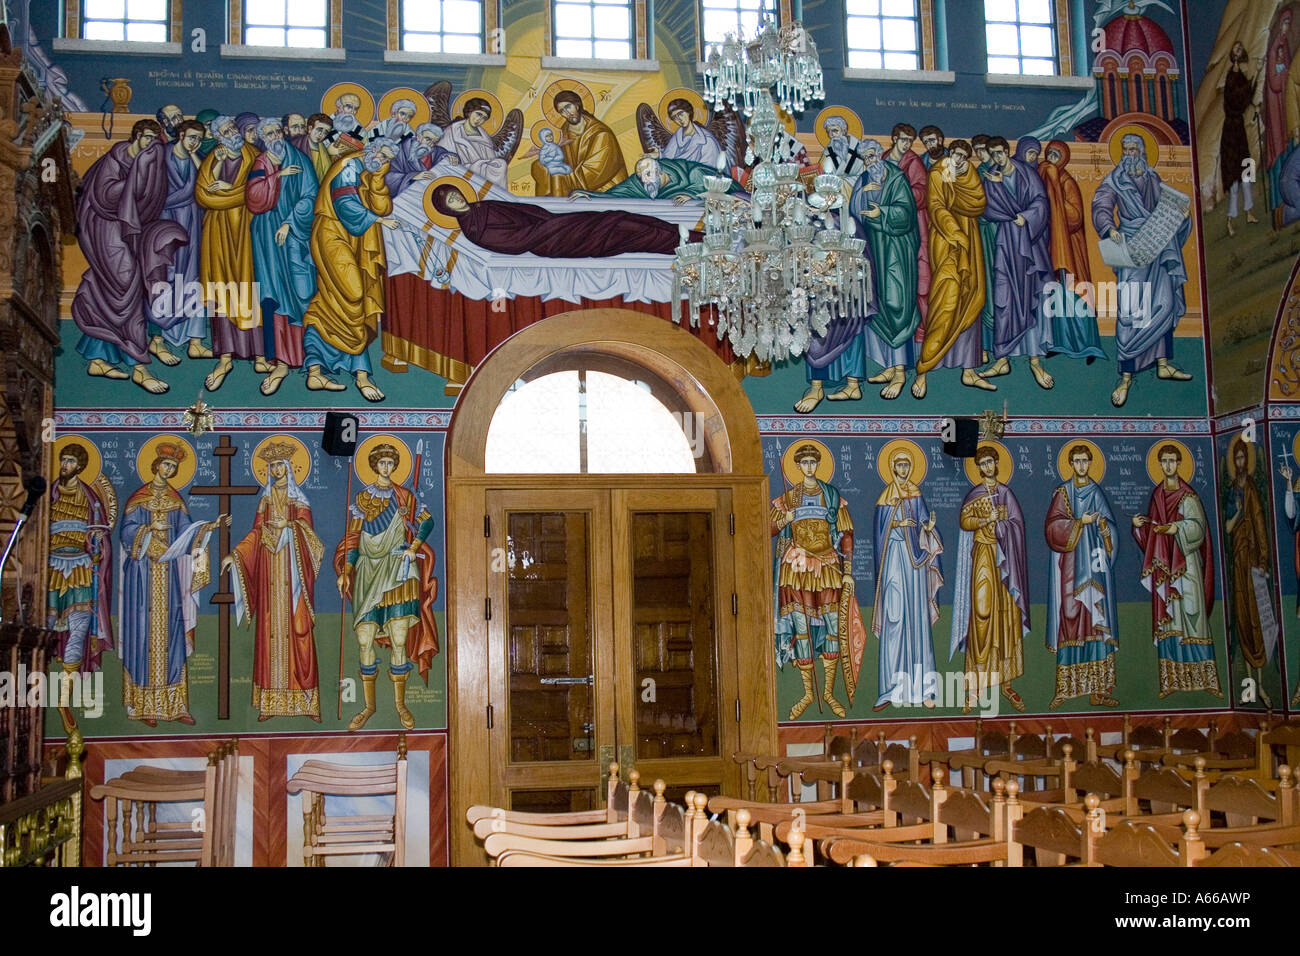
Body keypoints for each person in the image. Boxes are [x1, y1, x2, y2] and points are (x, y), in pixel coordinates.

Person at [71, 118, 187, 395]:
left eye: (154, 139)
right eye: (146, 137)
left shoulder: (150, 162)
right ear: (136, 137)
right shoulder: (117, 157)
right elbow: (104, 196)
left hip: (129, 229)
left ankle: (97, 359)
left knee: (110, 289)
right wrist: (135, 175)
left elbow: (151, 200)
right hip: (104, 228)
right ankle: (139, 367)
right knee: (128, 286)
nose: (150, 144)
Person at [119, 441, 228, 725]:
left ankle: (176, 706)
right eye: (165, 464)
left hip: (169, 578)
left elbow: (187, 536)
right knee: (142, 637)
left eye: (173, 467)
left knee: (172, 636)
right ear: (155, 465)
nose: (168, 470)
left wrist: (207, 529)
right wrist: (147, 530)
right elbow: (126, 533)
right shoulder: (138, 498)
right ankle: (142, 706)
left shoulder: (176, 500)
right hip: (142, 577)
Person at [335, 442, 438, 731]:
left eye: (390, 463)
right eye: (381, 463)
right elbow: (354, 538)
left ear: (394, 466)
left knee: (399, 640)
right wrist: (347, 571)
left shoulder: (405, 496)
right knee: (365, 640)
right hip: (368, 571)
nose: (386, 468)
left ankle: (401, 705)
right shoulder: (362, 498)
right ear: (373, 465)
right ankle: (368, 707)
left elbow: (427, 522)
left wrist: (413, 546)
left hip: (398, 571)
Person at [222, 441, 324, 721]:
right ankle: (270, 702)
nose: (277, 469)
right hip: (270, 575)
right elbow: (256, 533)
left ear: (289, 468)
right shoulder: (265, 500)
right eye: (273, 465)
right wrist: (236, 554)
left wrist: (288, 526)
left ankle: (306, 702)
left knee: (299, 631)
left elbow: (312, 542)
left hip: (293, 576)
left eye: (281, 464)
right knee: (269, 636)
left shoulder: (299, 500)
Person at [1091, 133, 1194, 407]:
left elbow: (1167, 207)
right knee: (1131, 312)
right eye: (1125, 149)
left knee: (1164, 303)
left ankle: (1163, 363)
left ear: (1143, 151)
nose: (1129, 153)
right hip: (1132, 248)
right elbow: (1101, 205)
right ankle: (1126, 377)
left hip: (1158, 247)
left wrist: (1181, 215)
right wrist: (1108, 227)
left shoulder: (1153, 178)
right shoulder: (1114, 180)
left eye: (1134, 148)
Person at [302, 134, 400, 402]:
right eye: (379, 154)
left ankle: (343, 372)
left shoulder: (369, 171)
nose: (380, 160)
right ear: (371, 149)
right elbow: (345, 205)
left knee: (337, 300)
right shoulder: (349, 165)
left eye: (387, 159)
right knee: (353, 294)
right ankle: (345, 372)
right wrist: (377, 220)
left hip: (354, 239)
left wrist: (379, 178)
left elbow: (383, 204)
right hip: (331, 234)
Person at [771, 444, 864, 719]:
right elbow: (767, 528)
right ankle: (808, 693)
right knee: (802, 631)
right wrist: (783, 519)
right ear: (798, 466)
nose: (809, 466)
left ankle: (828, 693)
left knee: (833, 629)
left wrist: (847, 570)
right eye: (805, 462)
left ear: (818, 464)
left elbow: (846, 534)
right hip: (796, 569)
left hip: (827, 568)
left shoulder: (831, 496)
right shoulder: (789, 497)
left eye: (813, 461)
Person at [1133, 444, 1222, 699]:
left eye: (1173, 460)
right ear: (1160, 465)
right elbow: (1152, 536)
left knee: (1194, 619)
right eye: (1165, 461)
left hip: (1187, 566)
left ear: (1179, 463)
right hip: (1165, 568)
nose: (1169, 465)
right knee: (1170, 622)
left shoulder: (1188, 496)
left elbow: (1198, 528)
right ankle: (1170, 680)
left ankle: (1207, 680)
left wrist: (1175, 529)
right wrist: (1140, 527)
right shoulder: (1157, 496)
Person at [951, 445, 1029, 712]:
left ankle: (1006, 684)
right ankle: (975, 687)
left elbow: (1018, 527)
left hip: (1006, 562)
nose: (986, 467)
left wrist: (1003, 525)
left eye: (989, 462)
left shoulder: (1007, 494)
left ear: (996, 464)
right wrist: (988, 517)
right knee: (982, 614)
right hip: (984, 555)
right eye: (981, 463)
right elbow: (965, 520)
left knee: (1007, 617)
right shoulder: (975, 494)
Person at [913, 140, 992, 398]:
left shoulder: (969, 174)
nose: (959, 160)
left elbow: (979, 203)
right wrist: (954, 232)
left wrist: (962, 229)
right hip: (947, 242)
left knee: (971, 298)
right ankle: (924, 368)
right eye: (956, 154)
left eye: (964, 156)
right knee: (945, 300)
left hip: (970, 241)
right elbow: (936, 206)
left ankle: (969, 370)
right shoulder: (938, 172)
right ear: (950, 154)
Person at [246, 116, 319, 395]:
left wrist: (289, 222)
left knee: (301, 293)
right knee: (273, 296)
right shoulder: (262, 162)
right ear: (263, 138)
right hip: (266, 236)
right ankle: (280, 362)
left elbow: (310, 196)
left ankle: (306, 358)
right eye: (269, 134)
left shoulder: (299, 159)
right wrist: (277, 176)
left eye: (278, 131)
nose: (275, 137)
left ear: (284, 133)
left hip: (293, 236)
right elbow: (253, 198)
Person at [429, 182, 700, 256]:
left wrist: (549, 220)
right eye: (451, 201)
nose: (457, 200)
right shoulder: (474, 230)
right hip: (553, 242)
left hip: (556, 223)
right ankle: (679, 242)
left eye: (455, 194)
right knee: (621, 232)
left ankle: (682, 233)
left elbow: (524, 210)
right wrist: (548, 227)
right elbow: (515, 243)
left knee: (617, 217)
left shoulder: (483, 206)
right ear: (448, 210)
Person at [47, 442, 116, 732]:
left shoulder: (91, 499)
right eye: (63, 459)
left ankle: (64, 700)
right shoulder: (48, 495)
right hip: (50, 567)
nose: (65, 465)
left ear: (81, 465)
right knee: (46, 628)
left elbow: (99, 533)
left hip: (80, 568)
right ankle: (35, 696)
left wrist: (98, 546)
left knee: (78, 629)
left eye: (71, 461)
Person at [1044, 444, 1119, 709]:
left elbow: (1110, 527)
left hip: (1095, 568)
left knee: (1095, 625)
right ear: (1070, 464)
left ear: (1090, 463)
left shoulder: (1096, 492)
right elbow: (1052, 528)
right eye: (1076, 461)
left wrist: (1103, 528)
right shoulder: (1063, 492)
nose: (1081, 465)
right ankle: (1064, 689)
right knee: (1070, 619)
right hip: (1071, 568)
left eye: (1085, 460)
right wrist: (1080, 522)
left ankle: (1098, 690)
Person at [978, 137, 1056, 390]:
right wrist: (999, 189)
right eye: (993, 154)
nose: (997, 158)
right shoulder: (992, 175)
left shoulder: (1026, 173)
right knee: (1004, 299)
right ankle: (1003, 359)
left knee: (1028, 300)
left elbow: (1041, 203)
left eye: (1000, 153)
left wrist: (1025, 216)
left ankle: (1034, 361)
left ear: (1008, 151)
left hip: (1028, 247)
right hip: (1005, 244)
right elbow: (988, 209)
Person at [197, 114, 267, 391]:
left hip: (249, 234)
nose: (231, 133)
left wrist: (229, 191)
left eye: (232, 128)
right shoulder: (213, 159)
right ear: (217, 135)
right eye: (225, 130)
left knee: (251, 290)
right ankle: (225, 358)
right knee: (223, 293)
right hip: (219, 235)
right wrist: (238, 193)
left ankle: (260, 356)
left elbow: (260, 192)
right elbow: (203, 195)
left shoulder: (254, 154)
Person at [871, 446, 942, 710]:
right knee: (894, 617)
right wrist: (896, 525)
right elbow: (879, 532)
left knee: (917, 621)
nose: (903, 470)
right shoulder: (885, 496)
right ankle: (890, 689)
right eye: (899, 466)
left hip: (915, 566)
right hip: (893, 560)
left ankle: (924, 689)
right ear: (892, 468)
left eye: (906, 466)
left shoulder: (915, 494)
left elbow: (924, 523)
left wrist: (928, 528)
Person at [852, 139, 921, 400]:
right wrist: (862, 195)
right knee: (876, 304)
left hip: (896, 252)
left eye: (872, 156)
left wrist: (880, 212)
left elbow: (906, 214)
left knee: (897, 303)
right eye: (866, 159)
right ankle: (888, 366)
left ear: (879, 155)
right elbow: (853, 211)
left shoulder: (896, 179)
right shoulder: (863, 180)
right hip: (873, 251)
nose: (870, 162)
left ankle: (901, 371)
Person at [148, 119, 212, 366]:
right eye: (191, 137)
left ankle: (195, 341)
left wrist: (198, 159)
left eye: (198, 138)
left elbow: (205, 187)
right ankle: (157, 340)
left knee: (192, 278)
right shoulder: (161, 156)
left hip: (192, 226)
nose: (194, 142)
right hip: (165, 224)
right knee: (162, 278)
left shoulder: (198, 159)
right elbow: (152, 190)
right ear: (180, 134)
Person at [1225, 438, 1273, 706]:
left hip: (1253, 562)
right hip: (1237, 563)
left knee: (1256, 620)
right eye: (1238, 459)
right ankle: (1250, 687)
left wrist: (1263, 559)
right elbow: (1229, 527)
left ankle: (1262, 684)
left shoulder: (1252, 489)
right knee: (1242, 619)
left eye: (1244, 458)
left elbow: (1259, 523)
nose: (1241, 463)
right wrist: (1237, 514)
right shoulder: (1233, 490)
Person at [531, 90, 627, 197]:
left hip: (605, 190)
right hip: (577, 183)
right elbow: (562, 159)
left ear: (577, 105)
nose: (566, 113)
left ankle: (556, 206)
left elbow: (595, 172)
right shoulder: (565, 133)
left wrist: (561, 177)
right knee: (539, 167)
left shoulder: (601, 134)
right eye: (562, 111)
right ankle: (545, 207)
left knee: (556, 176)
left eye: (568, 107)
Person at [886, 123, 930, 323]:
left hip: (912, 226)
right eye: (903, 139)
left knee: (916, 273)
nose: (906, 144)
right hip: (886, 226)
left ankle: (919, 324)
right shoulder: (883, 159)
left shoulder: (914, 162)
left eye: (910, 141)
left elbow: (922, 192)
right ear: (895, 138)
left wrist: (899, 195)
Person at [571, 154, 740, 202]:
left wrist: (691, 195)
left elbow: (708, 183)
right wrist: (591, 195)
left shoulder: (688, 172)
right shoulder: (640, 182)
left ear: (659, 172)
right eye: (640, 176)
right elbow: (616, 193)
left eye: (647, 175)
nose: (644, 181)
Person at [1222, 41, 1260, 236]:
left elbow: (1246, 97)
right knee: (1234, 179)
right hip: (1231, 131)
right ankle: (1230, 220)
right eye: (1235, 49)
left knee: (1246, 173)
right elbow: (1236, 99)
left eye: (1239, 49)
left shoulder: (1241, 77)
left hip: (1239, 130)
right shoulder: (1231, 77)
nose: (1238, 51)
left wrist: (1257, 75)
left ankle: (1249, 212)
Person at [442, 96, 509, 185]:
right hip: (459, 173)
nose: (479, 120)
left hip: (480, 175)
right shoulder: (452, 131)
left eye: (484, 118)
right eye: (478, 114)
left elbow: (491, 160)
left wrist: (480, 166)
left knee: (501, 164)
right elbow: (440, 155)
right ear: (470, 111)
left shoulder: (485, 138)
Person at [658, 98, 725, 166]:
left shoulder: (706, 140)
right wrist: (658, 154)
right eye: (675, 117)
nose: (679, 119)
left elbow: (708, 168)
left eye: (681, 113)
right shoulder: (676, 138)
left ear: (688, 112)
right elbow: (667, 158)